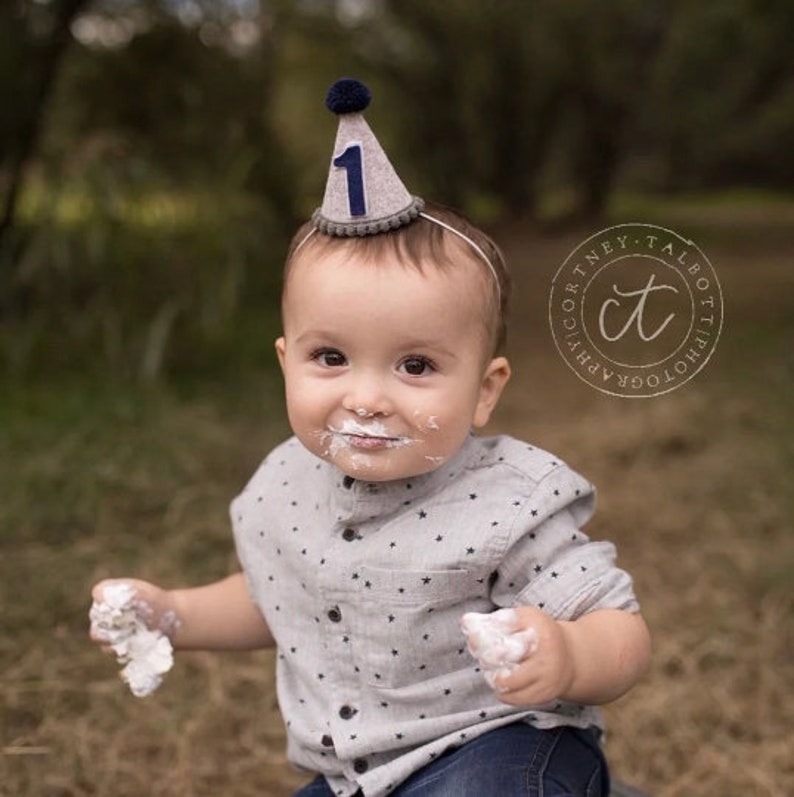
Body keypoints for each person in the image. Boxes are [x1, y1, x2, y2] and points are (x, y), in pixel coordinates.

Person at [90, 79, 651, 797]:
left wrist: (570, 653)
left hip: (500, 744)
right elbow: (270, 599)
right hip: (358, 774)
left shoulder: (508, 501)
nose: (367, 397)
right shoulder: (281, 487)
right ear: (285, 361)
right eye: (331, 357)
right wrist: (170, 609)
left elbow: (620, 626)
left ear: (484, 389)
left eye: (415, 365)